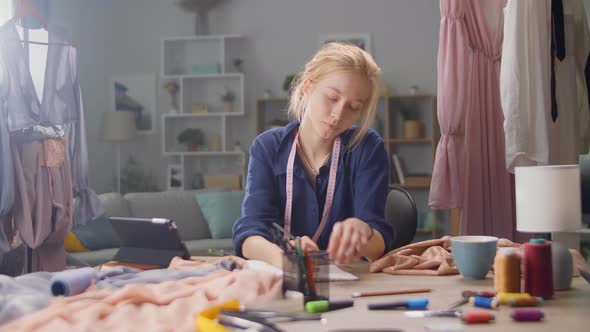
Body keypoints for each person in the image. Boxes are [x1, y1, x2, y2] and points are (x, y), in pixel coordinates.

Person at [233, 42, 394, 267]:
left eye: (354, 107)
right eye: (332, 98)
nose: (339, 114)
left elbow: (378, 248)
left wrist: (364, 232)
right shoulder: (267, 147)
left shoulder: (366, 147)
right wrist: (285, 259)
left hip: (349, 282)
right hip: (281, 276)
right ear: (307, 87)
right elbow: (250, 234)